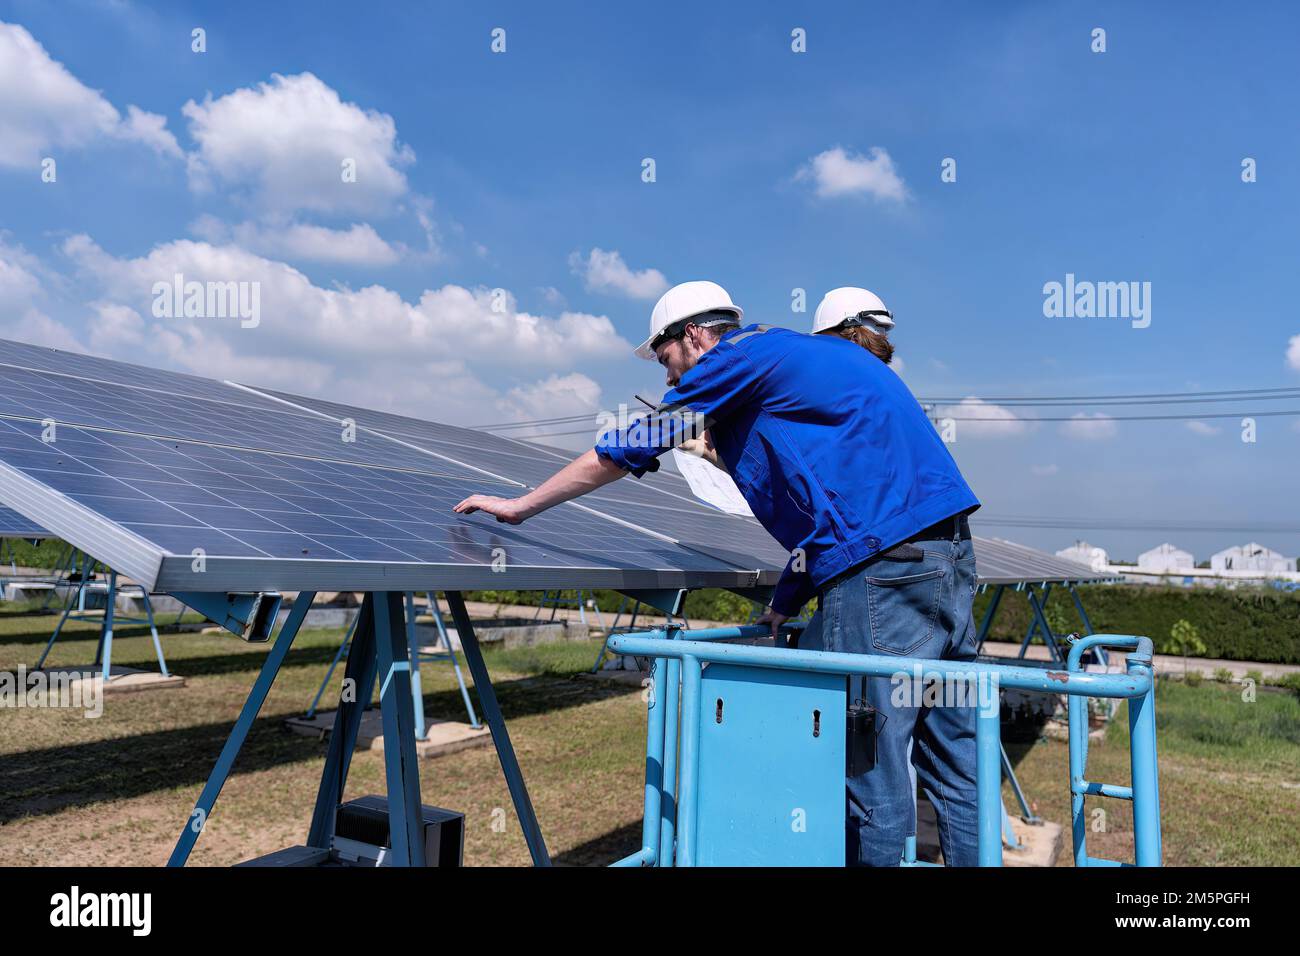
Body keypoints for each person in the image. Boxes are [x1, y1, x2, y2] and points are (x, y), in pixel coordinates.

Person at [452, 279, 982, 865]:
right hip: (948, 567)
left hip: (883, 584)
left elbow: (624, 449)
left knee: (870, 779)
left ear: (695, 337)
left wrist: (520, 506)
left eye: (666, 359)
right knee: (956, 774)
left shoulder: (739, 355)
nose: (669, 379)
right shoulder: (818, 367)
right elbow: (834, 522)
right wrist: (783, 605)